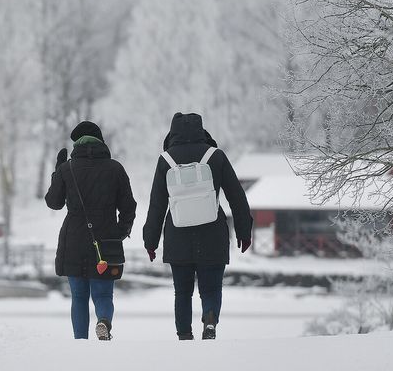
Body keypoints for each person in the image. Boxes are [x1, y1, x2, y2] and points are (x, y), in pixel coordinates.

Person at [143, 113, 253, 341]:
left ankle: (184, 335)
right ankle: (210, 318)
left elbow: (157, 204)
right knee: (211, 289)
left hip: (177, 237)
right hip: (213, 235)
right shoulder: (216, 157)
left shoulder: (166, 160)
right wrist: (244, 231)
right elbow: (237, 198)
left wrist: (150, 241)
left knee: (182, 292)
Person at [46, 121, 136, 341]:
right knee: (103, 293)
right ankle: (103, 322)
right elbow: (128, 206)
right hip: (106, 240)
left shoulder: (67, 169)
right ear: (100, 141)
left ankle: (80, 341)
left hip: (73, 240)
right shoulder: (115, 168)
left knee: (78, 296)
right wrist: (121, 232)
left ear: (76, 143)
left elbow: (53, 202)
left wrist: (57, 172)